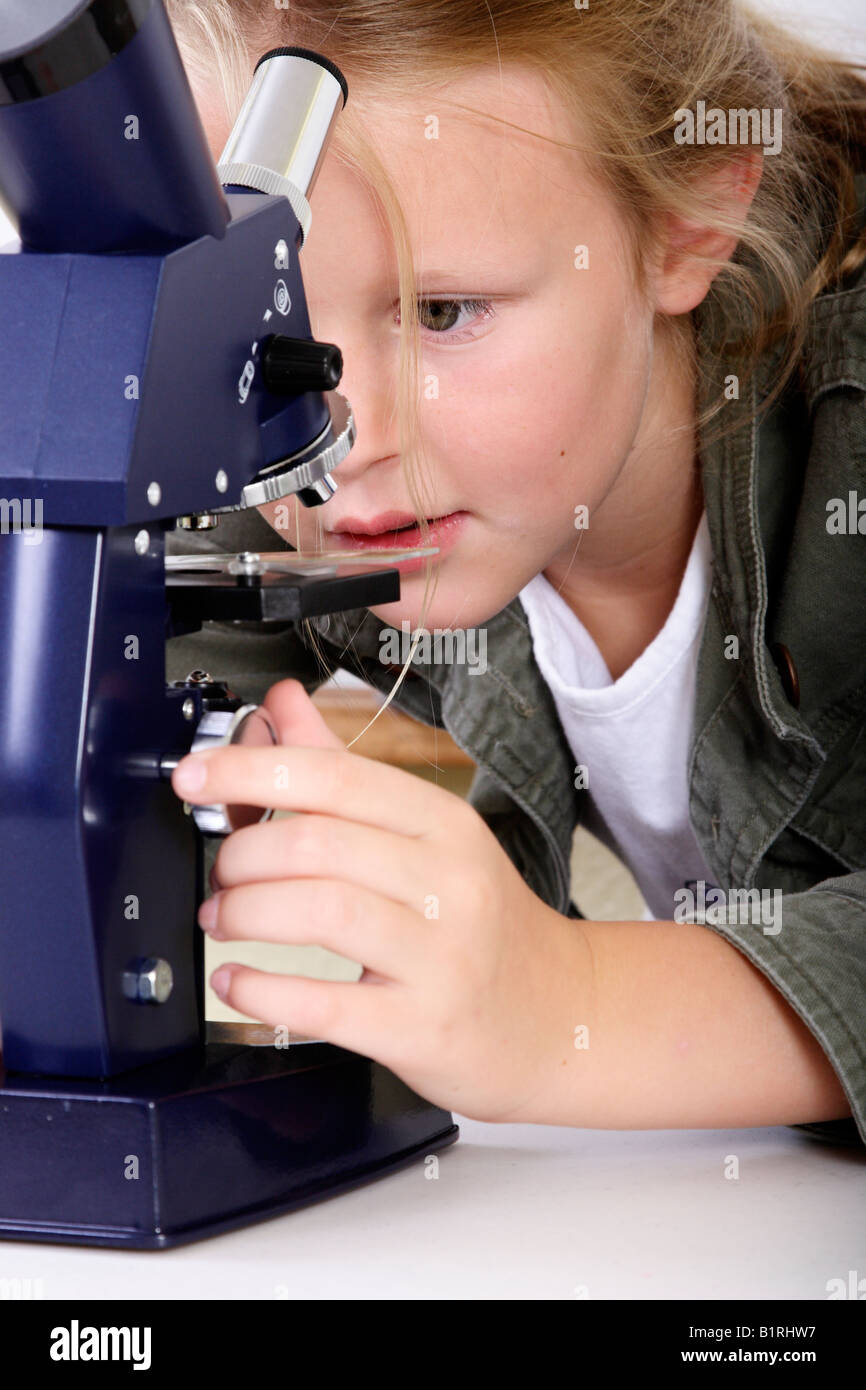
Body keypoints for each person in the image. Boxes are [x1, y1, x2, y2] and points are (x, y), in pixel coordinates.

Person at [165, 0, 866, 1142]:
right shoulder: (313, 454)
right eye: (255, 329)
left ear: (687, 221)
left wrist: (565, 1005)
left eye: (441, 314)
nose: (343, 436)